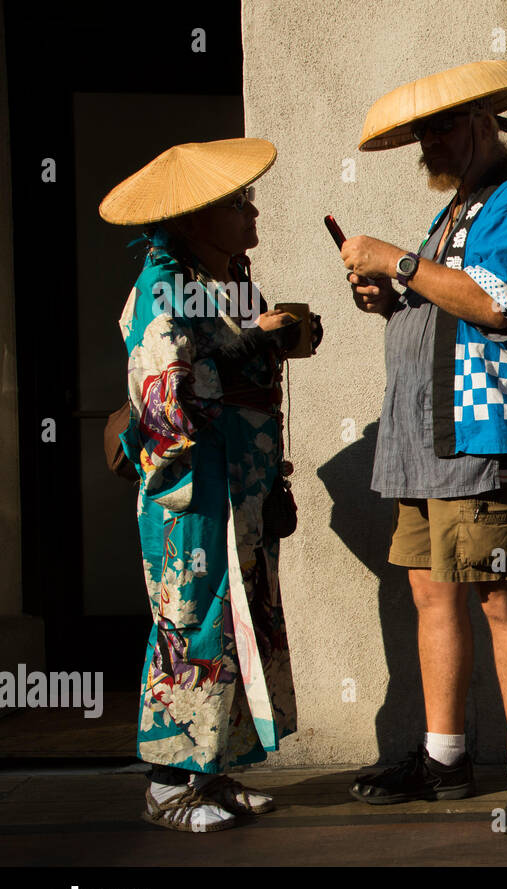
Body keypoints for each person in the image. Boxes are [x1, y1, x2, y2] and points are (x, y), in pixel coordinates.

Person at [342, 61, 507, 835]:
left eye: (439, 129)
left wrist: (399, 263)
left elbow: (498, 308)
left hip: (480, 434)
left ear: (482, 124)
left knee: (500, 593)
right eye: (420, 133)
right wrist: (392, 300)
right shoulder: (458, 212)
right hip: (423, 437)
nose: (426, 144)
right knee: (431, 591)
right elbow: (443, 306)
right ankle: (445, 759)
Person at [100, 138, 319, 832]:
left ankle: (214, 774)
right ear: (196, 218)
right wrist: (253, 348)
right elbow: (165, 388)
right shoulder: (165, 280)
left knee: (237, 621)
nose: (252, 214)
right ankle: (167, 786)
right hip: (194, 490)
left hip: (242, 489)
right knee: (189, 620)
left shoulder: (229, 279)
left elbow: (235, 351)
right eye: (237, 204)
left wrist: (273, 335)